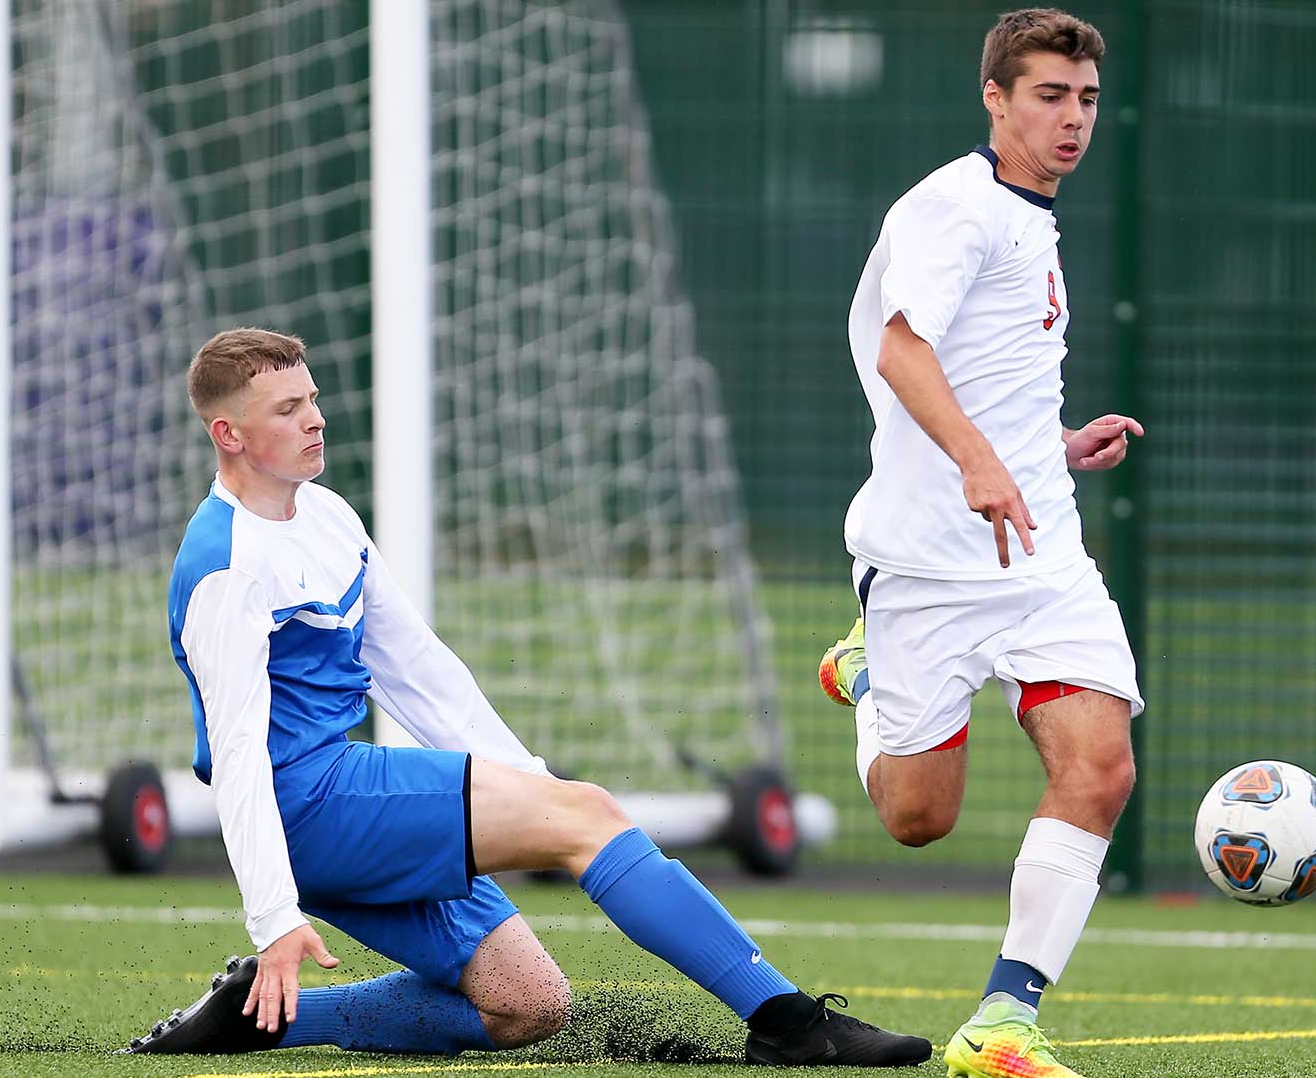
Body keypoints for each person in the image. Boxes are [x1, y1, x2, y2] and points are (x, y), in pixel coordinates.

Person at [125, 328, 929, 1064]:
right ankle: (790, 1023)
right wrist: (273, 919)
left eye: (315, 398)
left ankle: (272, 1018)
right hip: (306, 804)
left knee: (529, 1004)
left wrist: (524, 781)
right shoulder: (226, 566)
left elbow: (418, 669)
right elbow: (235, 758)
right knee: (592, 815)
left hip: (343, 795)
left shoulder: (326, 515)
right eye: (289, 407)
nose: (316, 418)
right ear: (228, 433)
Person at [814, 10, 1144, 1078]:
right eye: (1048, 95)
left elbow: (982, 377)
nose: (1071, 119)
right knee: (917, 820)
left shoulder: (1030, 219)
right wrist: (974, 463)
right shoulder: (953, 207)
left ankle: (1003, 1021)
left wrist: (1043, 446)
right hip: (925, 560)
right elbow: (904, 351)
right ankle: (868, 672)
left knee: (1099, 769)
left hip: (1041, 553)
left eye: (1085, 99)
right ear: (994, 98)